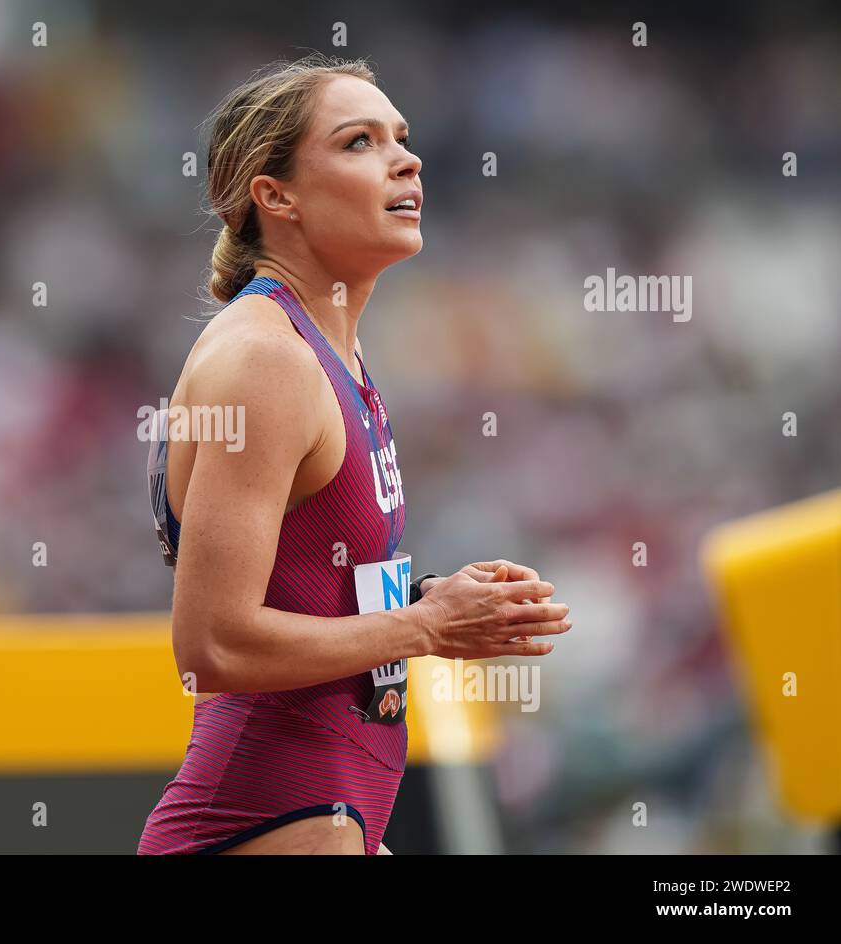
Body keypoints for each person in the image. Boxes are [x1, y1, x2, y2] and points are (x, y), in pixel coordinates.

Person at [138, 54, 571, 855]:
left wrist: (437, 601)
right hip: (257, 821)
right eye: (359, 142)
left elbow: (306, 586)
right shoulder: (265, 358)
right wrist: (423, 627)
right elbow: (213, 645)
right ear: (277, 197)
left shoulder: (332, 349)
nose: (405, 159)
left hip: (328, 817)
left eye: (401, 138)